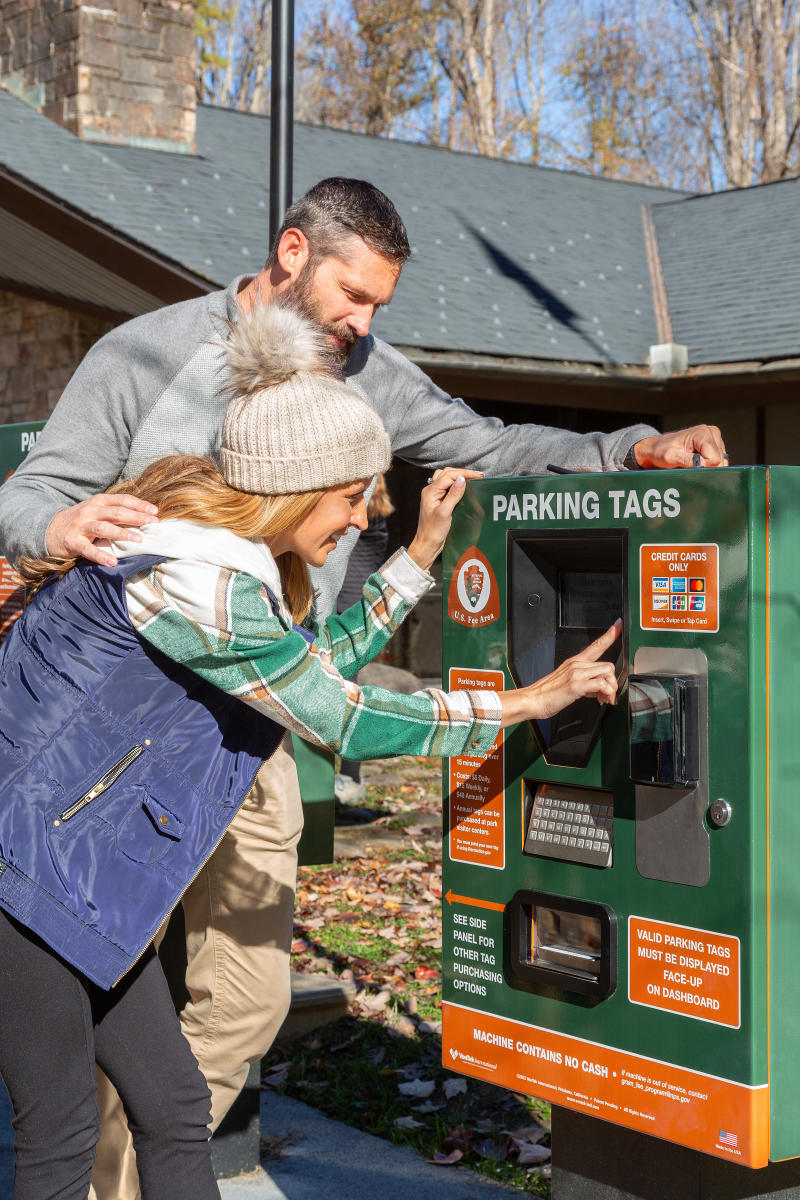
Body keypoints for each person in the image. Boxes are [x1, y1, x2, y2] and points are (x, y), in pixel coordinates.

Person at [0, 177, 726, 1199]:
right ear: (294, 251)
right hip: (92, 783)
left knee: (217, 1029)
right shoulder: (150, 375)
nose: (365, 323)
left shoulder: (360, 386)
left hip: (243, 730)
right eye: (354, 295)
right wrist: (58, 526)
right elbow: (339, 708)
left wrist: (617, 450)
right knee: (71, 1077)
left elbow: (474, 457)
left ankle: (124, 1174)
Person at [335, 472, 394, 804]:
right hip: (358, 605)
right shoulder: (378, 515)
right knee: (350, 691)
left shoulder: (349, 513)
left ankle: (349, 777)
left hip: (340, 603)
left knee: (344, 692)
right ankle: (350, 775)